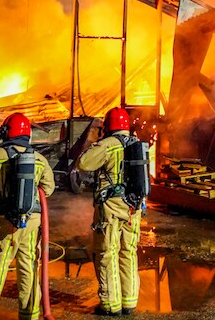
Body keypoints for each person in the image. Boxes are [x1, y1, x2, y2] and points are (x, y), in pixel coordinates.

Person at [0, 112, 55, 320]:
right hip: (32, 223)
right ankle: (30, 315)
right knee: (30, 268)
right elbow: (48, 189)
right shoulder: (39, 159)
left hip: (6, 221)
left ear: (6, 132)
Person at [77, 107, 142, 316]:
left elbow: (84, 163)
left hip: (111, 208)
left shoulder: (108, 145)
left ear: (108, 126)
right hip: (134, 208)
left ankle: (111, 305)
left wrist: (96, 139)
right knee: (128, 252)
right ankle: (129, 301)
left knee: (106, 253)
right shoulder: (136, 144)